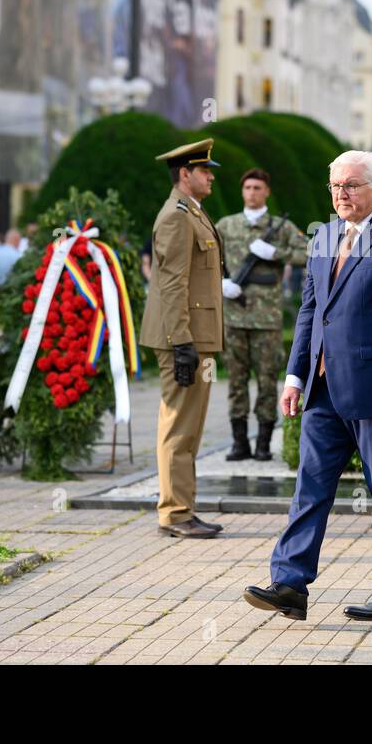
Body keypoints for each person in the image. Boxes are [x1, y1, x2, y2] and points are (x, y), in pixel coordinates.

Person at [243, 150, 372, 623]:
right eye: (334, 186)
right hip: (323, 391)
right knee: (310, 486)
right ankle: (289, 583)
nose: (341, 194)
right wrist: (294, 375)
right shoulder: (325, 236)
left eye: (351, 185)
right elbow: (311, 312)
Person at [138, 138, 227, 539]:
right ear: (185, 174)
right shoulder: (175, 217)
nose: (211, 176)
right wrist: (181, 342)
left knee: (190, 427)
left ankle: (183, 508)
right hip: (184, 338)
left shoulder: (193, 212)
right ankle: (174, 513)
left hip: (198, 339)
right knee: (179, 426)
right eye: (205, 170)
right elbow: (172, 284)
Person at [216, 168, 308, 461]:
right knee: (236, 381)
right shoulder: (226, 226)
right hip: (233, 315)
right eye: (248, 188)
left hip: (267, 320)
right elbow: (206, 258)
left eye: (258, 188)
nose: (252, 193)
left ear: (266, 191)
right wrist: (220, 282)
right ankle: (239, 442)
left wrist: (275, 253)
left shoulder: (280, 227)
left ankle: (264, 444)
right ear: (242, 192)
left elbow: (309, 252)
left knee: (268, 381)